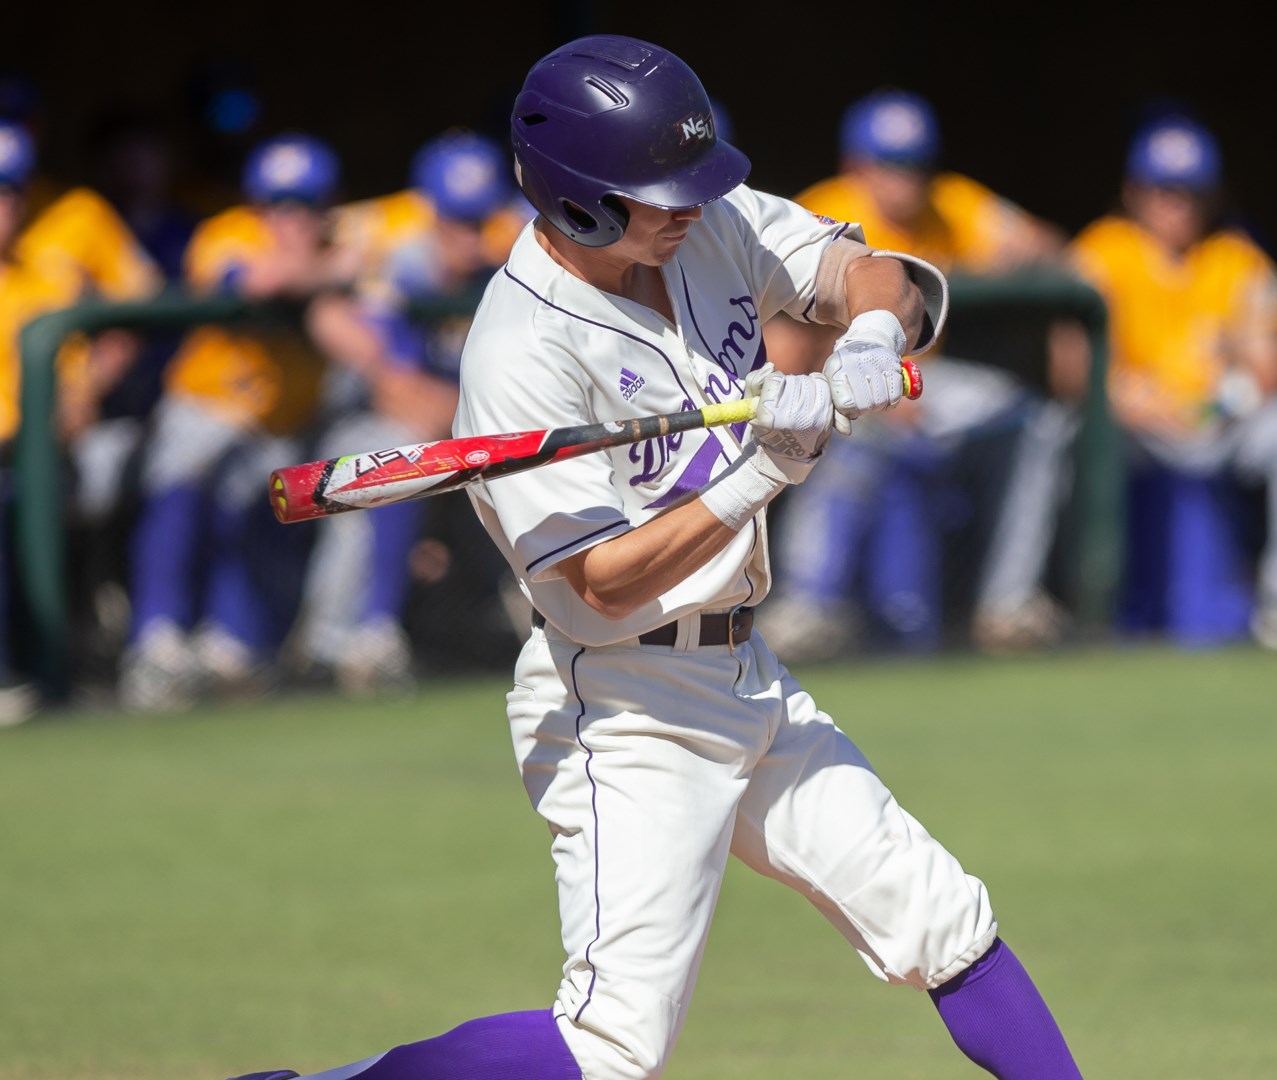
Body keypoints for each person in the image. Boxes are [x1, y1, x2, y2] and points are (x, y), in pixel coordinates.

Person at [224, 35, 1081, 1080]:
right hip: (625, 704)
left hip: (744, 669)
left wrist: (864, 337)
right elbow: (595, 589)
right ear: (580, 199)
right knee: (611, 1048)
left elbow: (876, 274)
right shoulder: (519, 351)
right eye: (657, 193)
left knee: (945, 920)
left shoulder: (704, 221)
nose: (688, 207)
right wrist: (762, 472)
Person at [760, 88, 1075, 657]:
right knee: (835, 425)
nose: (905, 179)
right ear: (856, 165)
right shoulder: (821, 208)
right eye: (889, 164)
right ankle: (808, 605)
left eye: (915, 163)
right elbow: (784, 333)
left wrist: (1008, 256)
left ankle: (1008, 605)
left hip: (926, 378)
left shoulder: (953, 205)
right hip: (839, 376)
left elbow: (1058, 252)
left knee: (1034, 423)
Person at [1069, 114, 1277, 650]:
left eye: (1190, 191)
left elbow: (1271, 372)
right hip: (1135, 433)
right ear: (1134, 191)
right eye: (1163, 190)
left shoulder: (1236, 257)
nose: (1177, 203)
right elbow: (1069, 365)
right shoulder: (1102, 251)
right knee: (1058, 431)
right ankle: (1084, 607)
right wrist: (1130, 401)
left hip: (1217, 425)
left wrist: (1223, 402)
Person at [120, 132, 353, 710]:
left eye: (304, 204)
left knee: (285, 494)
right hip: (205, 406)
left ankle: (238, 647)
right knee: (185, 470)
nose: (288, 219)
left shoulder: (351, 238)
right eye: (276, 204)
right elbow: (257, 281)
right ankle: (157, 639)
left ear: (327, 204)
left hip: (290, 425)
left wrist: (333, 266)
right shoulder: (226, 231)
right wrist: (330, 271)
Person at [297, 131, 525, 693]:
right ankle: (345, 639)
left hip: (457, 439)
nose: (469, 238)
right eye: (456, 222)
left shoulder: (495, 270)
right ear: (431, 213)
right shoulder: (395, 266)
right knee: (389, 457)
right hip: (352, 431)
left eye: (478, 221)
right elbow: (407, 399)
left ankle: (484, 626)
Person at [0, 120, 162, 722]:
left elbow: (144, 300)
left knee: (151, 464)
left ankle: (135, 646)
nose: (4, 206)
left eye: (11, 190)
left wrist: (86, 388)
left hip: (54, 455)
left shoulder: (47, 267)